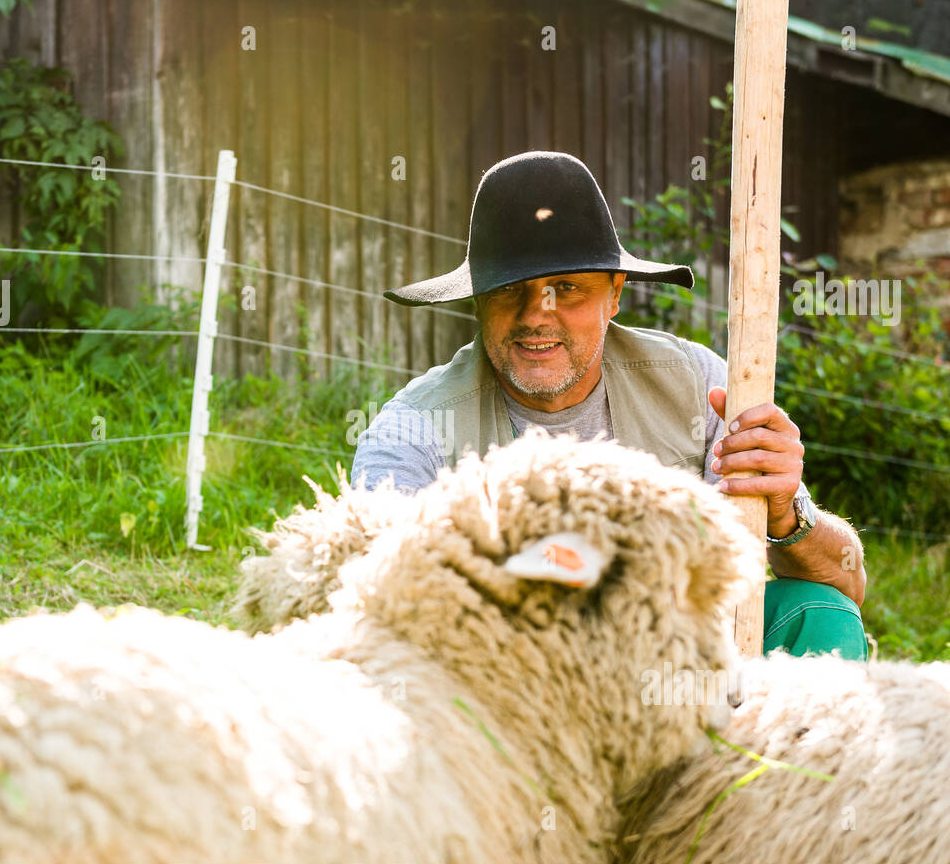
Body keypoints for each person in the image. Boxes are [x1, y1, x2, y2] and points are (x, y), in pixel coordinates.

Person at [350, 150, 867, 660]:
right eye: (509, 290)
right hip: (506, 682)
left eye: (566, 287)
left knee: (818, 612)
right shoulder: (415, 428)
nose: (536, 315)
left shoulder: (697, 385)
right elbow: (376, 602)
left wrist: (784, 514)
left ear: (614, 294)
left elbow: (849, 582)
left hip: (676, 668)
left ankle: (743, 743)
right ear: (479, 301)